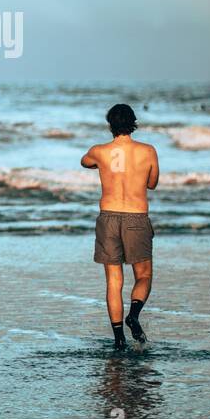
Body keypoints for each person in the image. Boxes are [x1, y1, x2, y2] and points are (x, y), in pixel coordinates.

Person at [80, 103, 158, 351]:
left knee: (114, 281)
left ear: (110, 125)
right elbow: (152, 183)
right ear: (133, 123)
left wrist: (102, 166)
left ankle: (118, 340)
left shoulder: (99, 151)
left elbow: (84, 162)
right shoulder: (148, 151)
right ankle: (134, 315)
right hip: (136, 217)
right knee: (143, 275)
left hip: (108, 217)